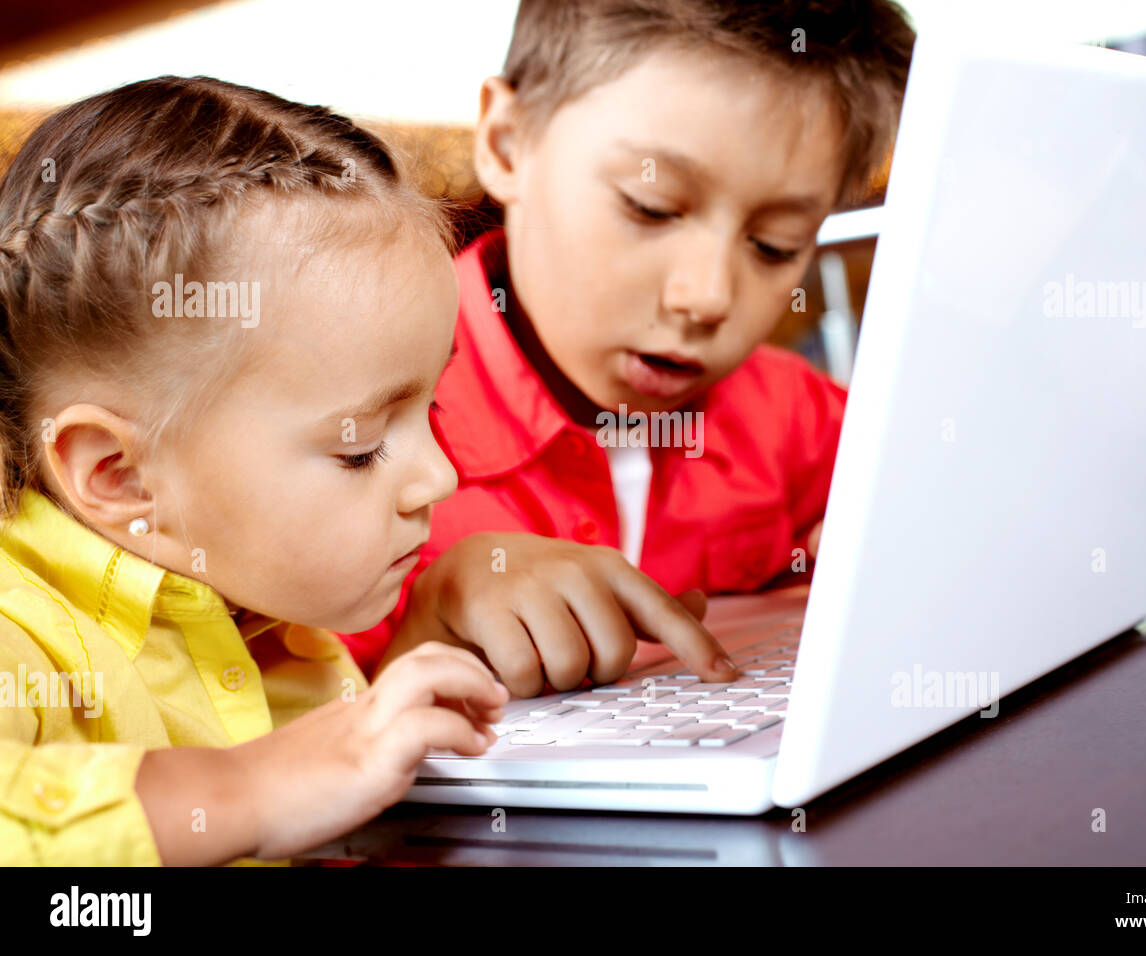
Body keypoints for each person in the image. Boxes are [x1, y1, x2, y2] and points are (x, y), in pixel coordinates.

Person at [0, 76, 514, 865]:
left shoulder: (271, 612)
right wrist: (251, 789)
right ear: (121, 478)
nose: (439, 479)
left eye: (433, 411)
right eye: (360, 447)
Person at [344, 0, 915, 696]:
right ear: (506, 142)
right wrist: (420, 638)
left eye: (775, 246)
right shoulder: (344, 424)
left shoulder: (788, 413)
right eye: (651, 207)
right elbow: (243, 740)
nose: (706, 297)